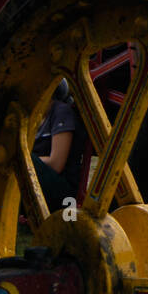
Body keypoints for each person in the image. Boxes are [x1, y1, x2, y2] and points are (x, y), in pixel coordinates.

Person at [32, 82, 83, 212]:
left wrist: (26, 159)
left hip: (63, 193)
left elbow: (56, 164)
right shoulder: (34, 117)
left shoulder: (61, 112)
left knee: (19, 157)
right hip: (41, 185)